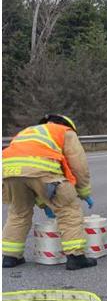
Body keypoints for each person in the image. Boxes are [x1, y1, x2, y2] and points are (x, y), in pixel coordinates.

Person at [2, 114, 96, 270]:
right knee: (68, 210)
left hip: (9, 172)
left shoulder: (28, 131)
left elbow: (28, 175)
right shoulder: (65, 131)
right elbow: (78, 164)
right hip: (43, 170)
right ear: (68, 125)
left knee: (18, 213)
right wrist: (83, 191)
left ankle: (10, 257)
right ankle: (75, 257)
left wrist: (42, 201)